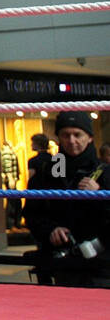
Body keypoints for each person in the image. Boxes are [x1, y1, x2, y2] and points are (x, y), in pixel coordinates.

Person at [25, 111, 110, 286]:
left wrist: (101, 195)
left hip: (102, 264)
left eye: (77, 135)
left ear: (90, 137)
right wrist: (50, 231)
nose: (72, 141)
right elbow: (32, 214)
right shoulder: (46, 173)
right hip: (61, 264)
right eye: (65, 135)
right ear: (58, 138)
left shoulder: (105, 173)